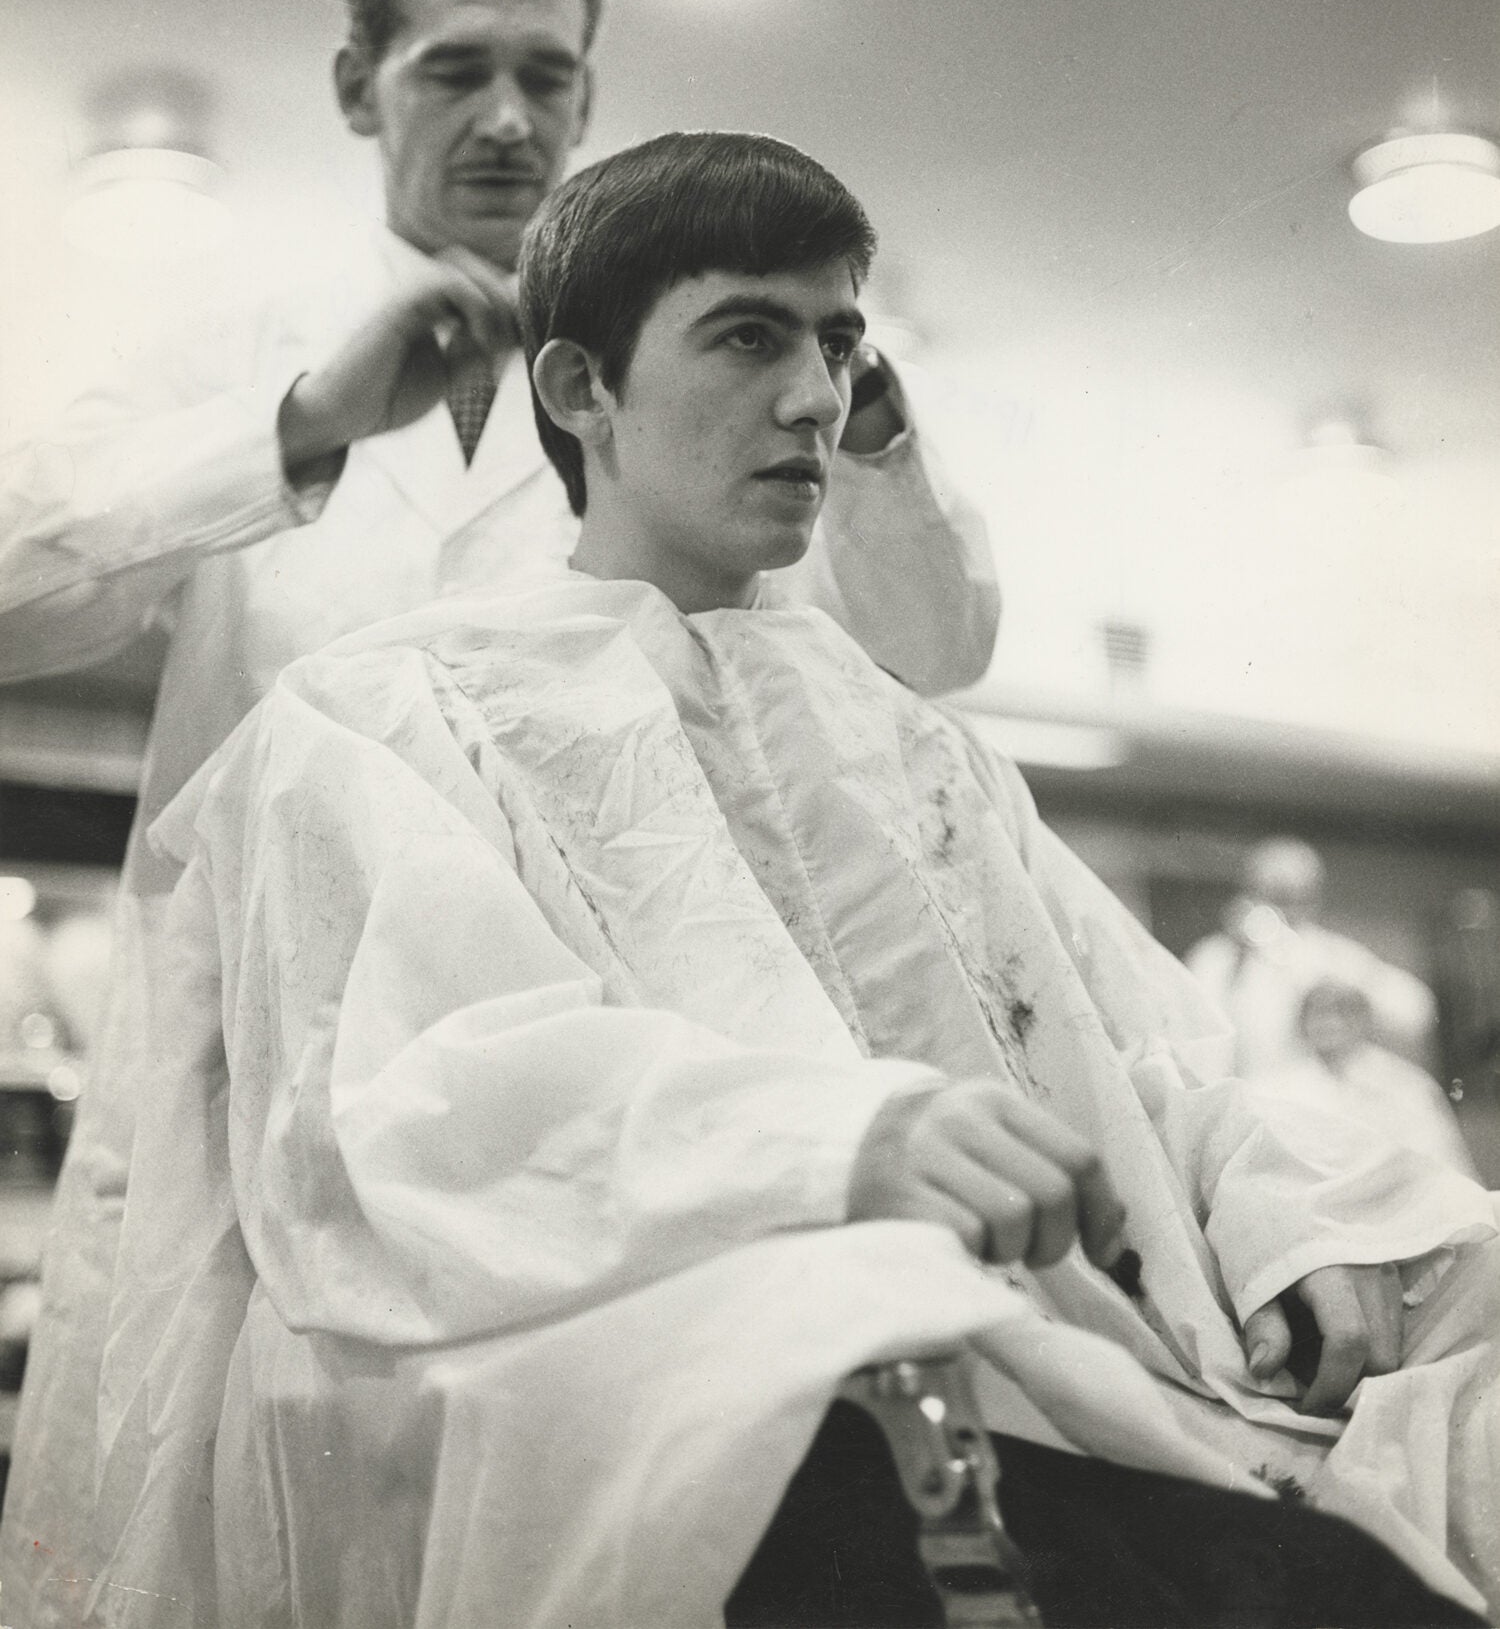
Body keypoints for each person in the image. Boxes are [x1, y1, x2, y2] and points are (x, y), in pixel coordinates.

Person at [85, 134, 1497, 1628]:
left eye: (838, 342)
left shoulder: (913, 745)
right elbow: (423, 1104)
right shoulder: (392, 714)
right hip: (804, 1435)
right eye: (749, 335)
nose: (818, 397)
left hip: (1143, 1380)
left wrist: (1299, 1222)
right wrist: (841, 1141)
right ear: (581, 391)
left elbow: (1151, 1055)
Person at [0, 0, 1000, 1620]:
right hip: (258, 1110)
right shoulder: (237, 352)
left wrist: (883, 444)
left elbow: (930, 662)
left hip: (570, 1139)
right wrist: (303, 424)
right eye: (457, 69)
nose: (512, 117)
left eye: (552, 74)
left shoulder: (685, 380)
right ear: (353, 84)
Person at [1186, 836, 1439, 1080]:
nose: (1286, 910)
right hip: (1243, 1100)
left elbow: (1416, 1011)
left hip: (1313, 1104)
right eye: (1276, 896)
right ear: (1249, 893)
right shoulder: (1214, 957)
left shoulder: (1333, 953)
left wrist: (1350, 993)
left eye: (1298, 899)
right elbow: (1194, 1037)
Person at [1261, 977, 1477, 1179]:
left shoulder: (1405, 1083)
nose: (1329, 1023)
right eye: (1318, 1014)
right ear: (1301, 1023)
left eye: (1342, 1013)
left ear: (1364, 1021)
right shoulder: (1277, 1086)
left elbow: (1437, 1155)